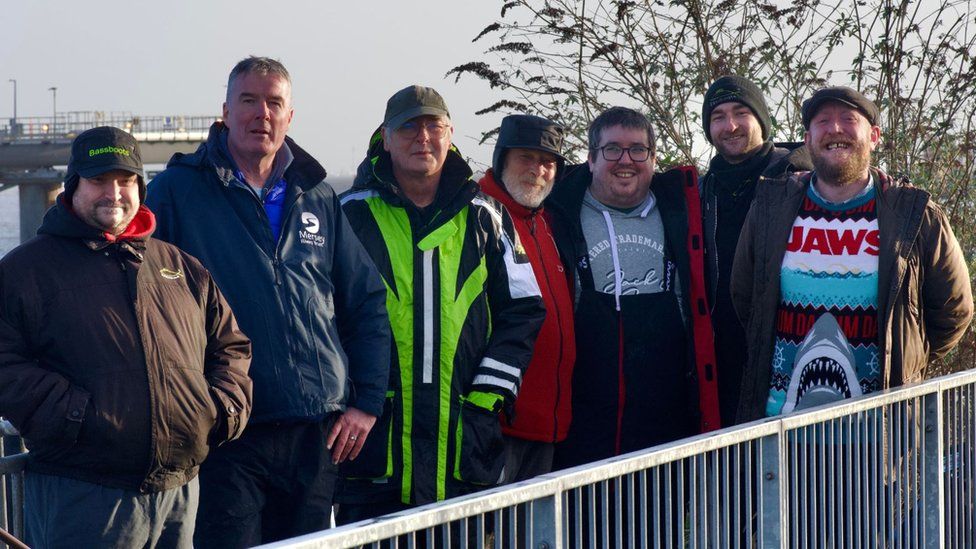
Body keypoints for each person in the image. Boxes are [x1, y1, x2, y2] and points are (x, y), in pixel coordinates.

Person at [145, 57, 390, 547]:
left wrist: (365, 402)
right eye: (249, 100)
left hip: (315, 431)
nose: (262, 113)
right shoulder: (177, 192)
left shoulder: (316, 194)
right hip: (227, 430)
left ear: (290, 116)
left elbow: (365, 301)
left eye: (274, 102)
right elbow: (141, 302)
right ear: (225, 112)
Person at [0, 126, 253, 549]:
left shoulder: (180, 266)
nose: (113, 193)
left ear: (140, 186)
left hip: (179, 492)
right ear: (72, 186)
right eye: (99, 180)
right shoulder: (26, 271)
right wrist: (74, 416)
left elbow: (230, 346)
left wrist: (218, 410)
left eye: (125, 181)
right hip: (83, 492)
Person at [336, 85, 545, 521]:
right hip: (375, 455)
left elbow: (525, 312)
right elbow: (320, 319)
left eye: (433, 126)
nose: (423, 138)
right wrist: (352, 397)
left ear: (451, 135)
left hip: (464, 452)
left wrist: (486, 399)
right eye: (409, 127)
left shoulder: (486, 217)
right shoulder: (348, 215)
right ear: (386, 138)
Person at [730, 86, 973, 422]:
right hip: (780, 430)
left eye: (848, 119)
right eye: (823, 121)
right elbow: (746, 298)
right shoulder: (771, 207)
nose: (835, 129)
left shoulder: (916, 214)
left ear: (873, 136)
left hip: (879, 435)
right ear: (808, 138)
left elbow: (954, 310)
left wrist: (903, 355)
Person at [549, 106, 720, 470]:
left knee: (660, 525)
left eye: (637, 150)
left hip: (666, 427)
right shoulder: (556, 214)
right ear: (591, 159)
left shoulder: (686, 214)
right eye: (612, 149)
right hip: (581, 428)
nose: (625, 160)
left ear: (653, 158)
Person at [700, 75, 812, 426]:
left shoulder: (800, 180)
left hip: (785, 355)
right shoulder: (701, 191)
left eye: (740, 112)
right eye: (718, 117)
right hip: (718, 361)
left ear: (761, 119)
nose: (730, 125)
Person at [478, 114, 576, 482]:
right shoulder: (477, 216)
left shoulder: (551, 223)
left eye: (547, 161)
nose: (537, 170)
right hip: (495, 426)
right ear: (501, 159)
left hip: (549, 427)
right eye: (526, 158)